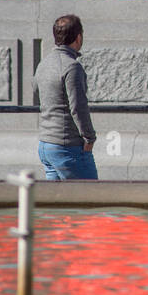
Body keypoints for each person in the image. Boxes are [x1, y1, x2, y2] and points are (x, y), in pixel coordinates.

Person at [34, 13, 98, 180]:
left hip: (46, 145)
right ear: (78, 37)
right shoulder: (72, 67)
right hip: (68, 146)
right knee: (90, 199)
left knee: (57, 203)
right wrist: (89, 138)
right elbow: (78, 108)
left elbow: (36, 91)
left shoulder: (44, 63)